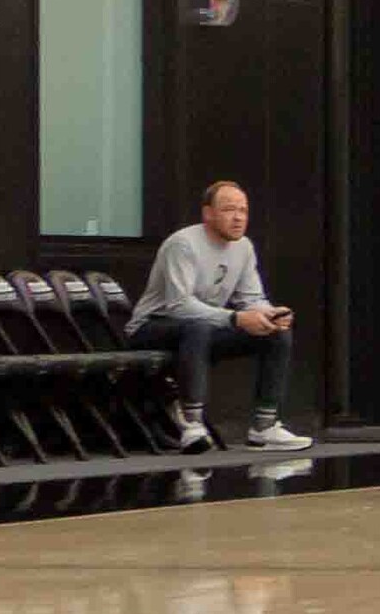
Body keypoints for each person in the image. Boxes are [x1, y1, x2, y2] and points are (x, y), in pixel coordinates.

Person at [131, 181, 310, 451]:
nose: (238, 218)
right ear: (208, 214)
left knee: (277, 334)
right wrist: (236, 319)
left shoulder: (244, 247)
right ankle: (191, 424)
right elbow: (178, 306)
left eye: (243, 211)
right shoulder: (183, 244)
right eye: (228, 210)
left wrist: (269, 314)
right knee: (198, 327)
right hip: (152, 327)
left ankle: (264, 427)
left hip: (205, 328)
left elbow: (250, 299)